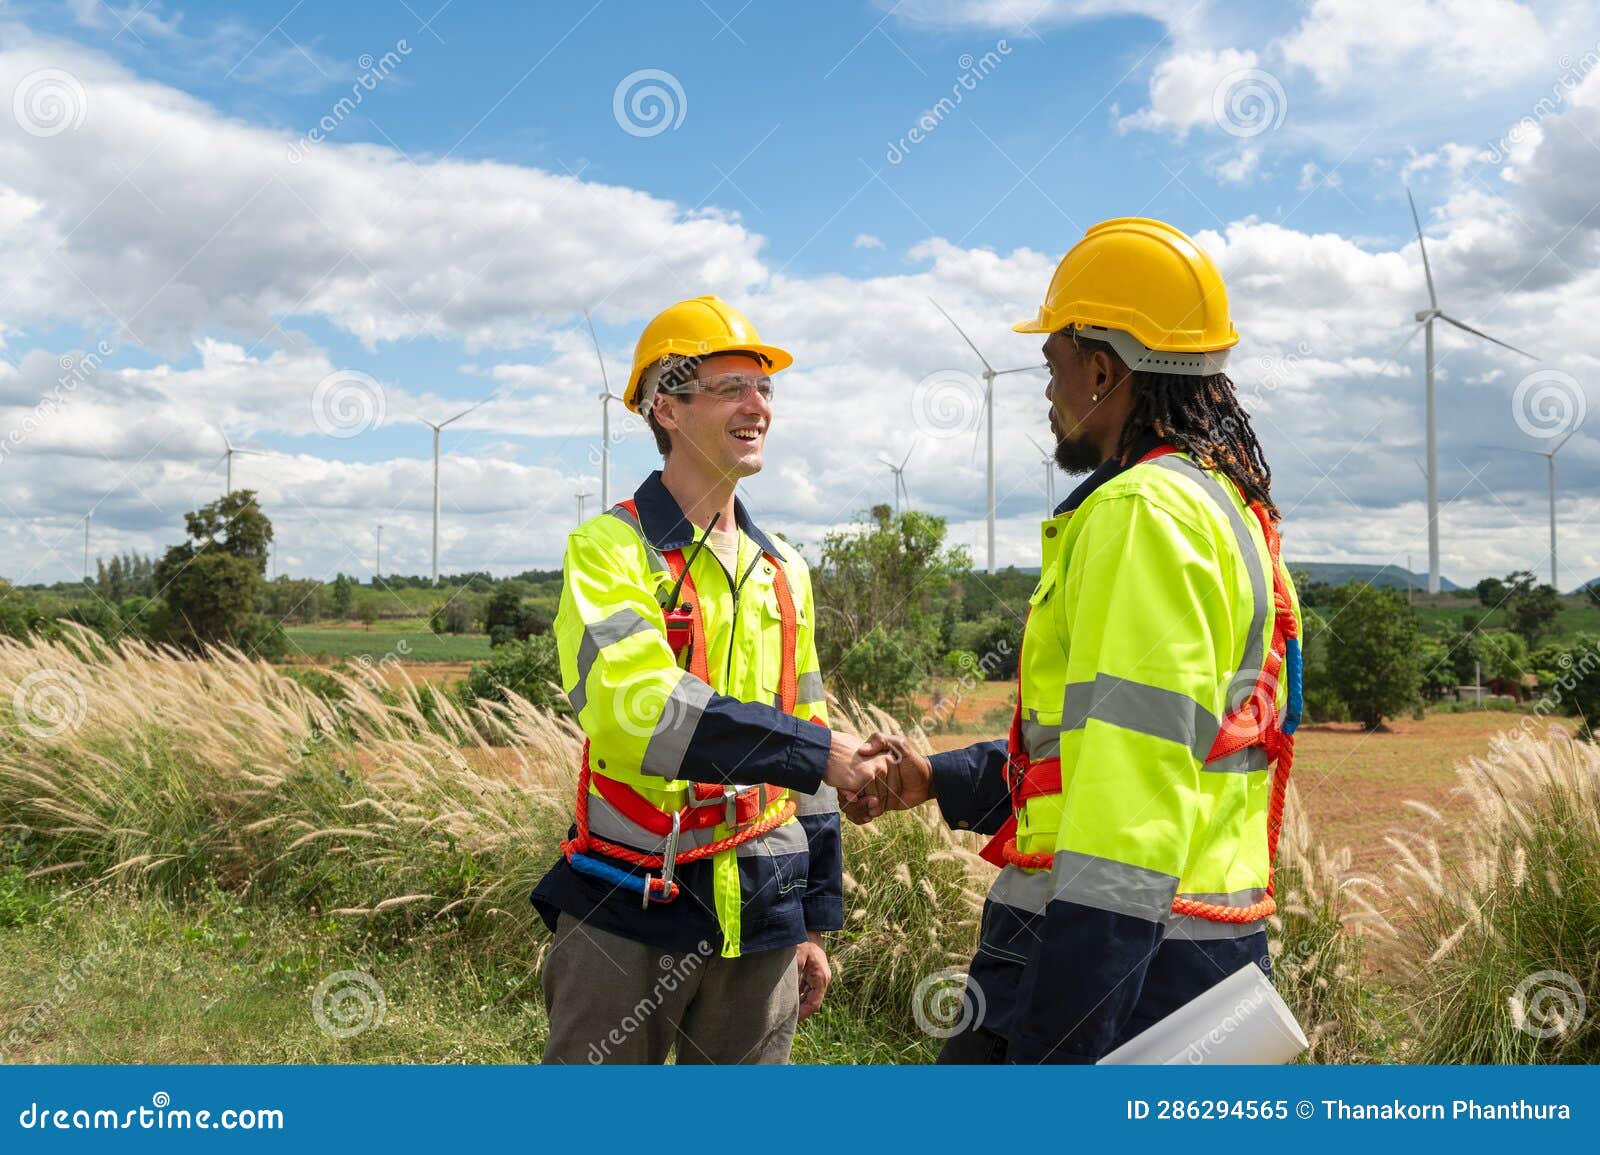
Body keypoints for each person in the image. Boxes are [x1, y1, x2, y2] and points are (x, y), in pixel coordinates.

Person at [847, 218, 1303, 1064]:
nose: (1046, 389)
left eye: (1053, 363)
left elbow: (1126, 817)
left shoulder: (1139, 515)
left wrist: (1057, 1062)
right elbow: (1109, 750)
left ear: (1103, 370)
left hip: (1110, 970)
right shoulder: (1225, 508)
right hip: (1194, 960)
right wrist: (937, 779)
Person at [533, 294, 884, 1064]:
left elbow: (810, 731)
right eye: (732, 388)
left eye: (765, 390)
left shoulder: (786, 567)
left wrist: (814, 919)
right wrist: (813, 750)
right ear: (667, 408)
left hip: (765, 910)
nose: (758, 406)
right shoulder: (609, 550)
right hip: (628, 904)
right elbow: (641, 710)